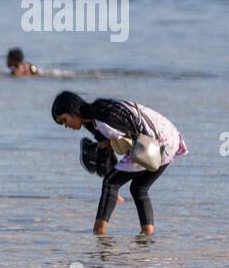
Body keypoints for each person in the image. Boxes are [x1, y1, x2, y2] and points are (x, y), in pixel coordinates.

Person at [51, 91, 187, 235]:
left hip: (154, 145)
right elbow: (118, 153)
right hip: (171, 139)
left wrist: (112, 189)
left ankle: (99, 232)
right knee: (138, 188)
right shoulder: (99, 110)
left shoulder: (101, 121)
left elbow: (129, 143)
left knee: (110, 182)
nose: (66, 125)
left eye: (64, 120)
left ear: (73, 110)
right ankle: (148, 235)